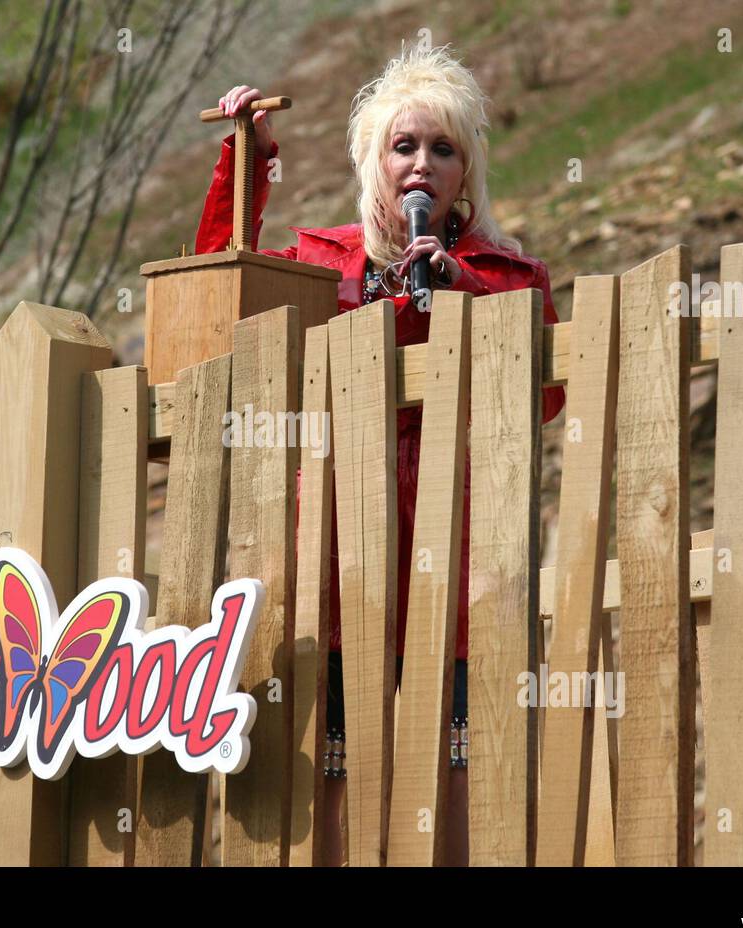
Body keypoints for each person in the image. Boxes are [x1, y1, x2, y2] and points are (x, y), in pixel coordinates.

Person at [194, 43, 565, 865]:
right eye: (404, 147)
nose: (422, 165)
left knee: (460, 764)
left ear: (467, 174)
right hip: (338, 549)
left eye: (444, 149)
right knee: (334, 764)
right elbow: (226, 293)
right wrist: (244, 167)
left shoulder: (509, 276)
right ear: (372, 162)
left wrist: (461, 294)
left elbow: (544, 399)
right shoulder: (321, 269)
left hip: (461, 555)